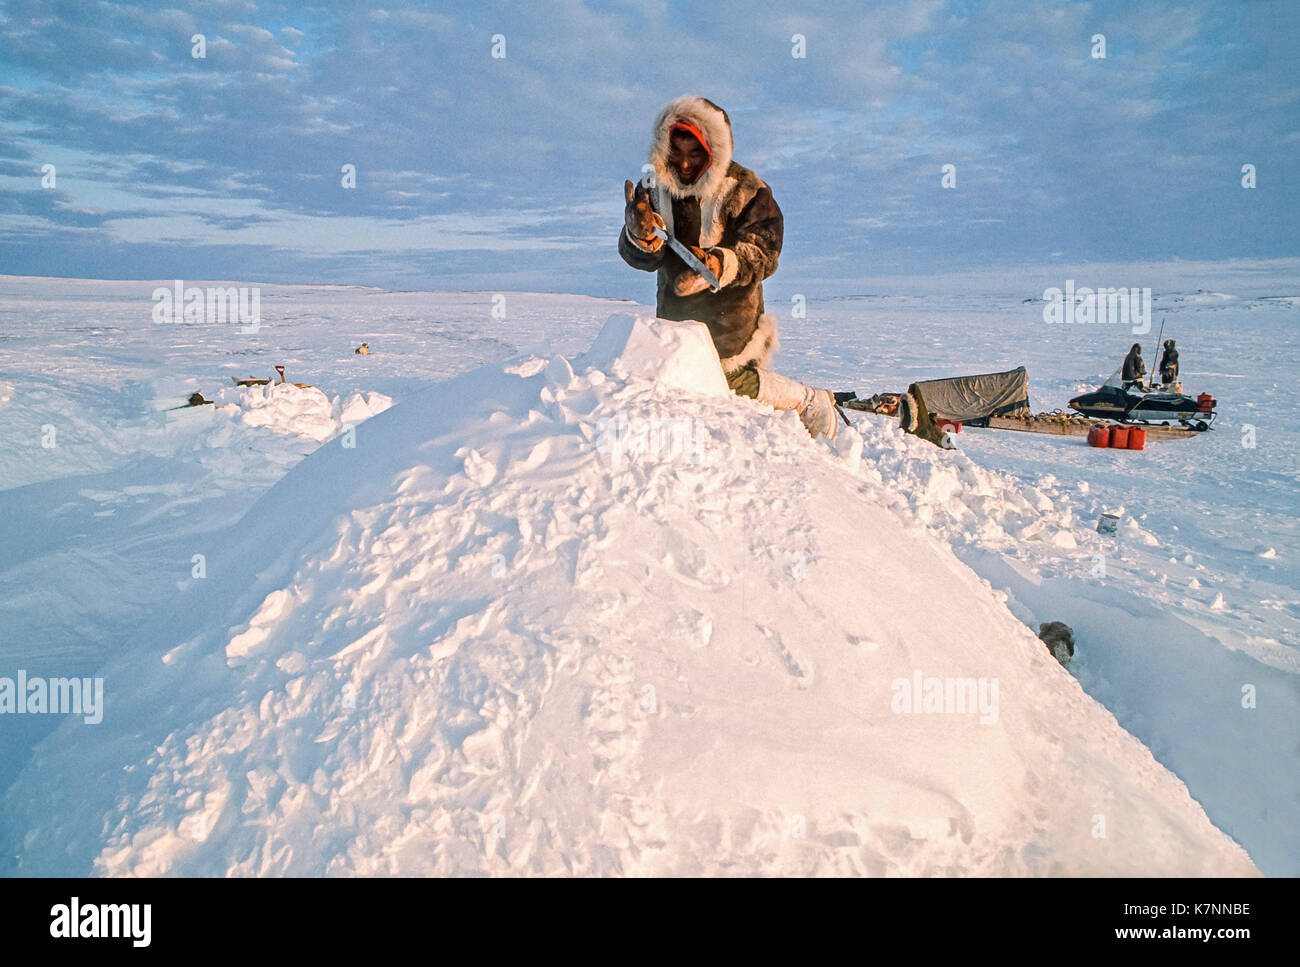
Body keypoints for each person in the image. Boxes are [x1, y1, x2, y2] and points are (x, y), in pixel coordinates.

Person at [619, 95, 840, 440]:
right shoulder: (653, 188)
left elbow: (764, 251)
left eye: (696, 153)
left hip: (731, 319)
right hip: (676, 316)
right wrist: (638, 237)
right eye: (677, 152)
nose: (686, 163)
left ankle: (808, 400)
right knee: (681, 386)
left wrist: (718, 264)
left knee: (725, 381)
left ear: (713, 150)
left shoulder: (746, 190)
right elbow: (644, 258)